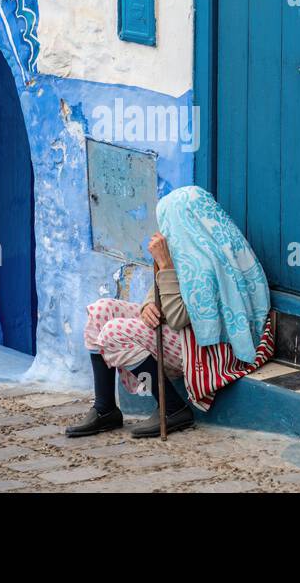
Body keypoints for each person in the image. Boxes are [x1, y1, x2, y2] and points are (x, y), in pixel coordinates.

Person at [66, 185, 275, 439]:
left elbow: (177, 318)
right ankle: (105, 409)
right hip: (184, 339)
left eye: (168, 222)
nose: (165, 231)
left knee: (114, 333)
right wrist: (147, 307)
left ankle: (173, 409)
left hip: (202, 352)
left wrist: (165, 265)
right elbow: (160, 290)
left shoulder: (207, 266)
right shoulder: (189, 250)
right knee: (101, 311)